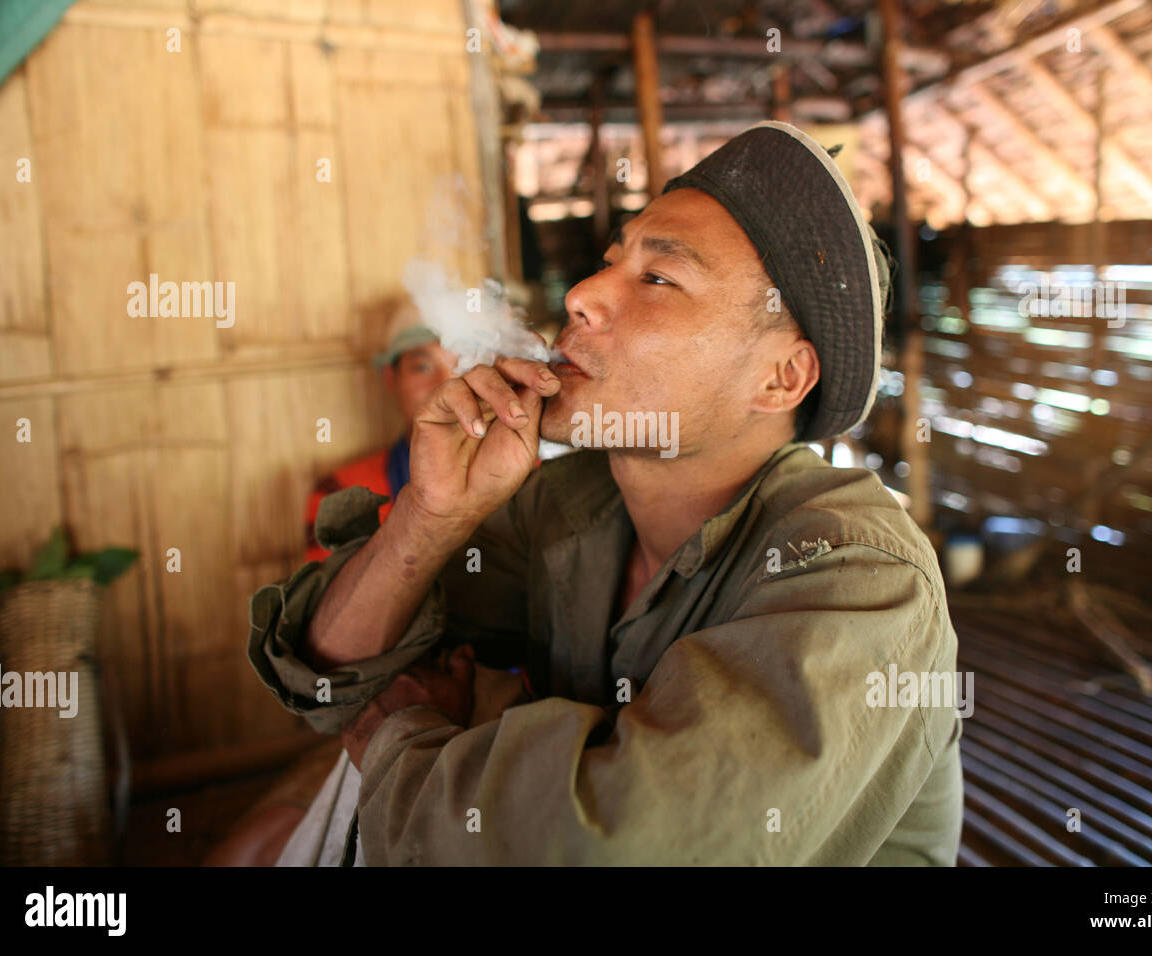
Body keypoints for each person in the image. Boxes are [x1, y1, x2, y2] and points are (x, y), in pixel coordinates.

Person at [248, 120, 964, 865]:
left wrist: (405, 741)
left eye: (659, 279)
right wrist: (431, 515)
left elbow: (623, 849)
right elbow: (328, 674)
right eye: (608, 261)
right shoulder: (568, 503)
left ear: (779, 377)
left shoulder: (858, 576)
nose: (583, 295)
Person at [303, 314, 455, 563]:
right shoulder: (340, 496)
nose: (447, 384)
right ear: (390, 378)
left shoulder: (523, 479)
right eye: (423, 367)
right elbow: (331, 601)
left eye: (463, 366)